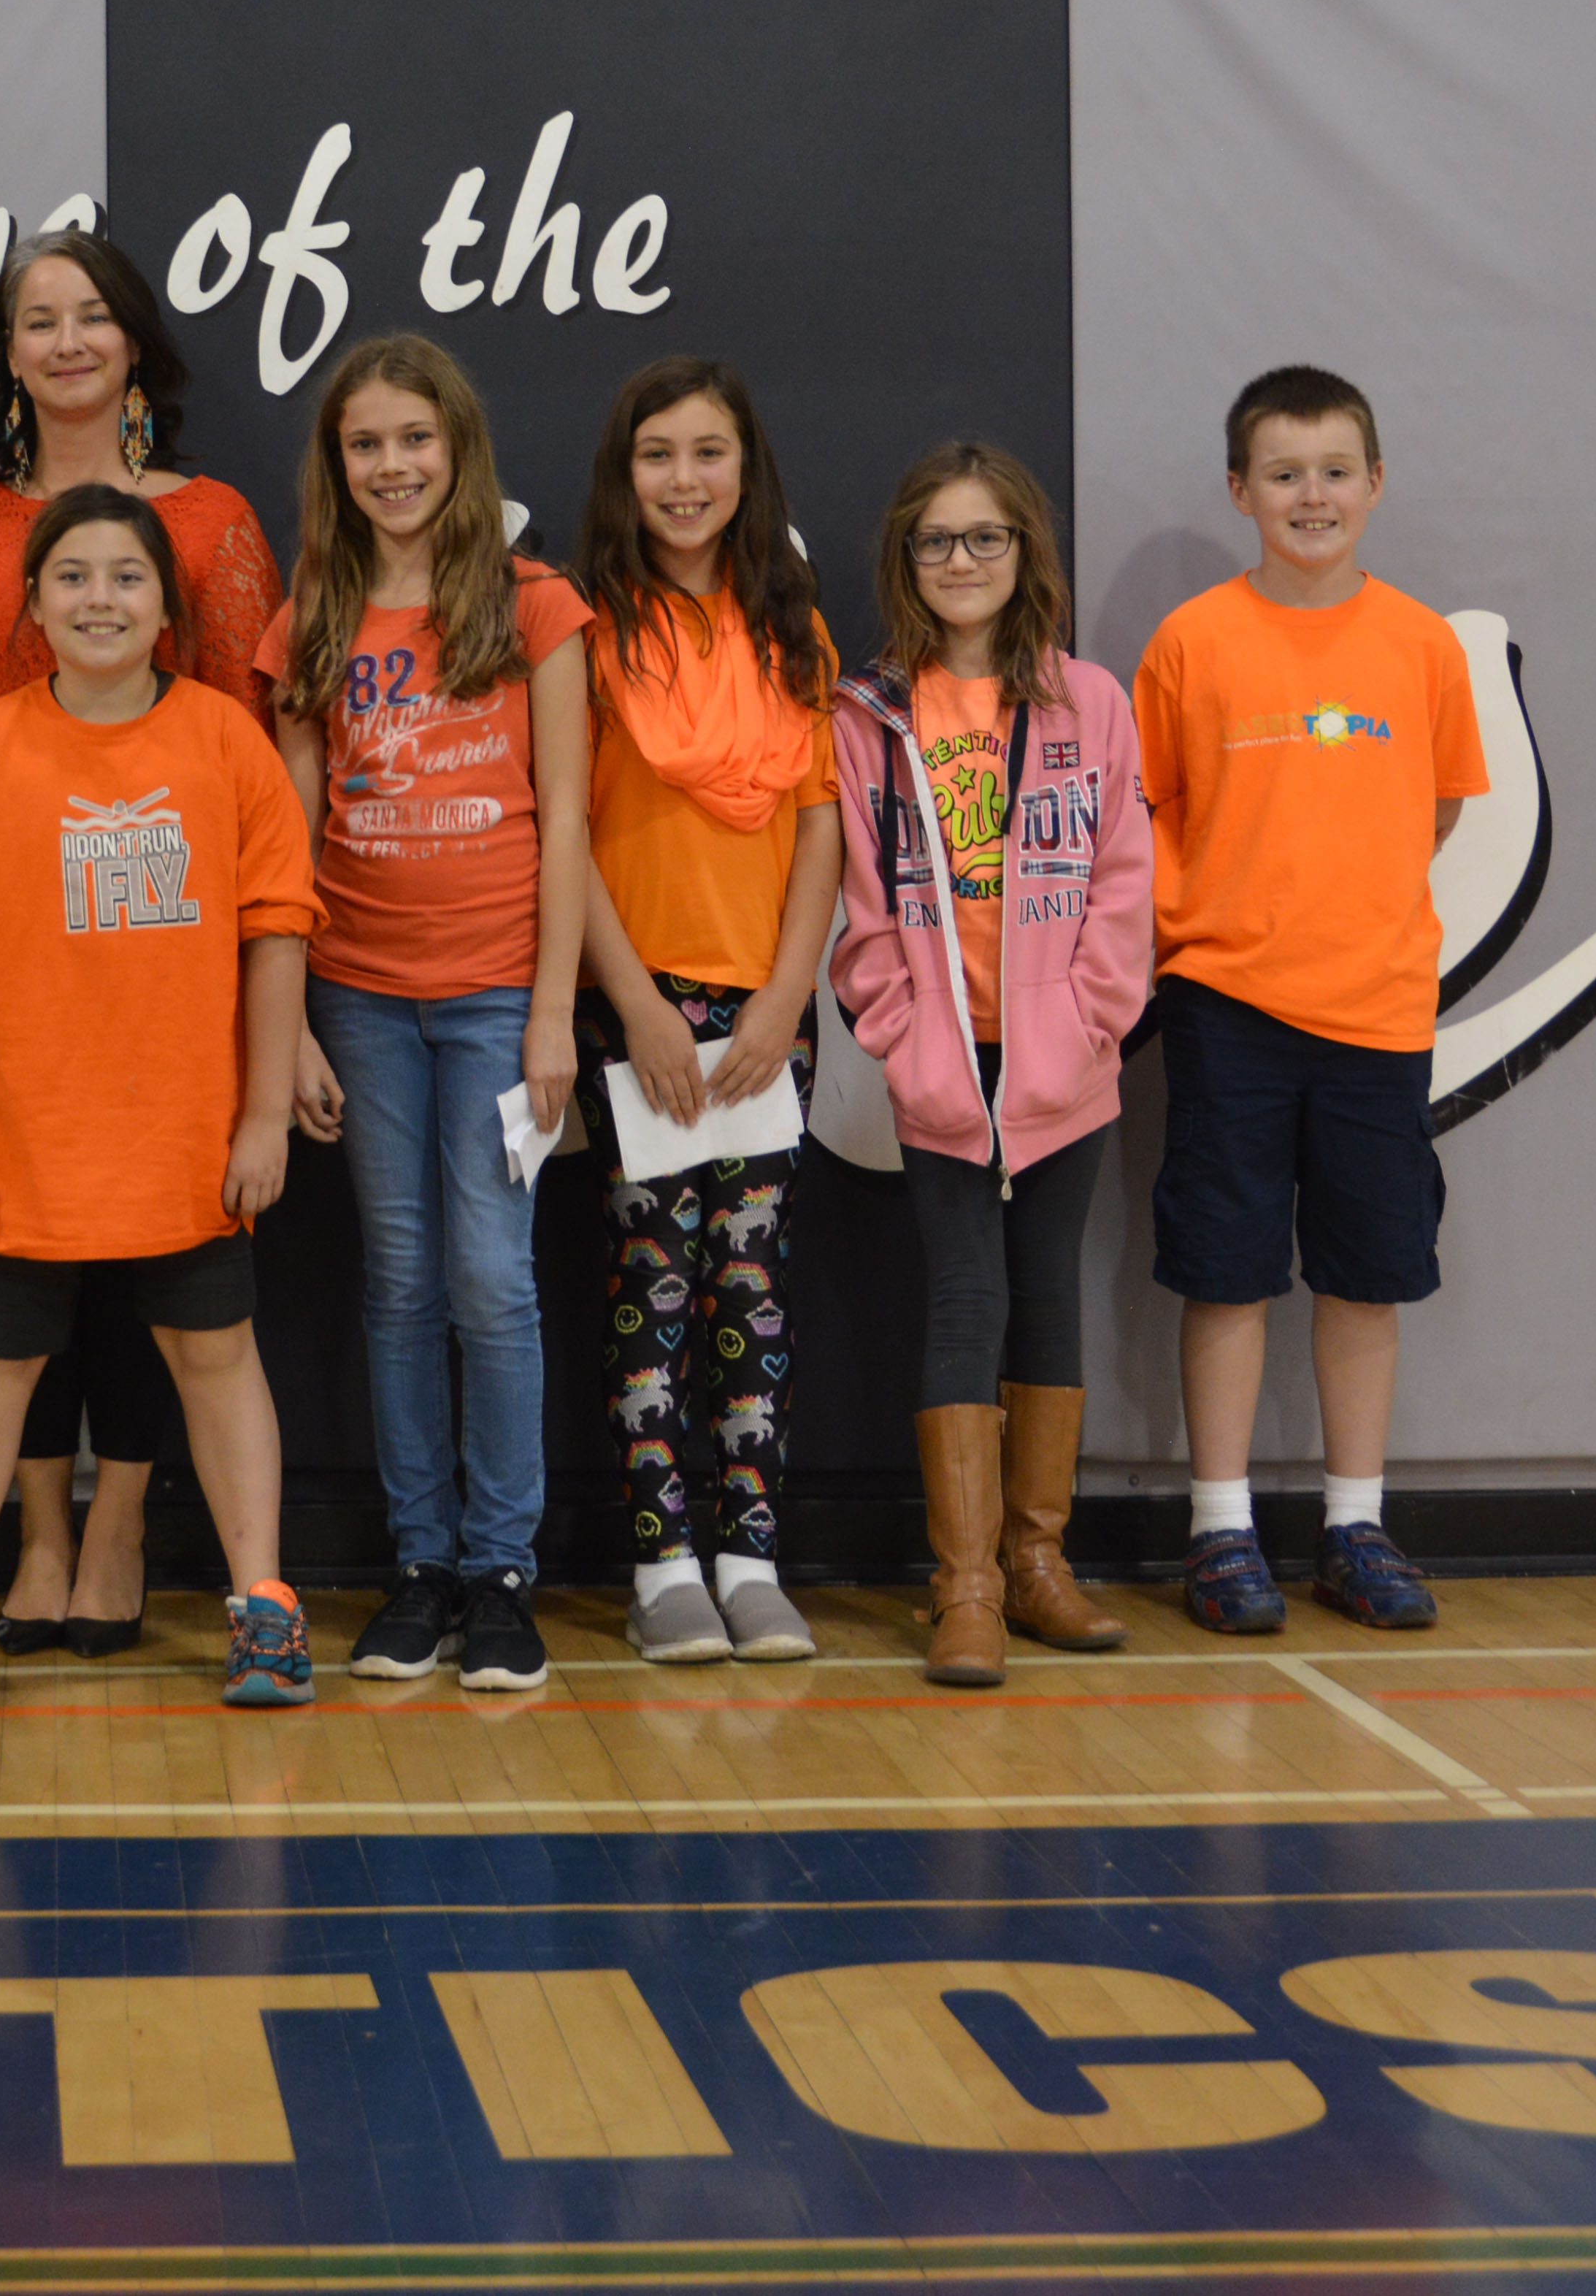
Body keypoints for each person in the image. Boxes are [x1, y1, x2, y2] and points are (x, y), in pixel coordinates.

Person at [0, 226, 287, 1654]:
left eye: (91, 316)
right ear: (7, 351)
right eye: (36, 318)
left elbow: (260, 747)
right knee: (16, 1274)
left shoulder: (215, 521)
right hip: (14, 965)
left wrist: (275, 1032)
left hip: (172, 964)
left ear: (135, 344)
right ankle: (28, 1544)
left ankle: (122, 1523)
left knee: (174, 1285)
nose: (64, 340)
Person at [261, 334, 591, 1694]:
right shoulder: (312, 618)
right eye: (365, 445)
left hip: (502, 993)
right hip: (357, 994)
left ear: (459, 450)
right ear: (335, 468)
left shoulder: (535, 607)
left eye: (414, 440)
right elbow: (284, 839)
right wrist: (282, 1028)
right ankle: (422, 1563)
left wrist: (557, 1011)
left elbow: (569, 813)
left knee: (493, 1282)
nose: (392, 466)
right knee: (398, 1282)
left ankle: (503, 1572)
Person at [1134, 367, 1485, 1634]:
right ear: (1241, 491)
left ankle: (1354, 1524)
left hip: (1379, 1012)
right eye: (1284, 474)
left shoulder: (1423, 643)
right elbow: (1156, 811)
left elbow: (1435, 808)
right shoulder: (1191, 642)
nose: (1312, 495)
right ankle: (1220, 1532)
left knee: (1367, 1275)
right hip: (1227, 1000)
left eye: (1337, 470)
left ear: (1377, 484)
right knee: (1226, 1274)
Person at [831, 444, 1154, 1685]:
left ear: (1027, 556)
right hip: (942, 1064)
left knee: (1049, 1294)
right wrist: (907, 1039)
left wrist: (1086, 1023)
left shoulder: (1090, 702)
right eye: (937, 543)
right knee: (966, 1297)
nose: (962, 562)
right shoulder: (875, 715)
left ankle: (1037, 1567)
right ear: (906, 563)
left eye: (987, 540)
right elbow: (861, 904)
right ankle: (962, 1583)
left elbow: (1125, 881)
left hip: (1062, 1062)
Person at [565, 359, 842, 1668]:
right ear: (626, 477)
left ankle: (751, 1556)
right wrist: (633, 1004)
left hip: (767, 1012)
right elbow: (566, 832)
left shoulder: (794, 628)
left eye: (710, 453)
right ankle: (664, 1563)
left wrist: (788, 996)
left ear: (748, 469)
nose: (685, 480)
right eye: (658, 455)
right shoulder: (586, 627)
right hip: (644, 1010)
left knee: (756, 1292)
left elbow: (823, 826)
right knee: (653, 1293)